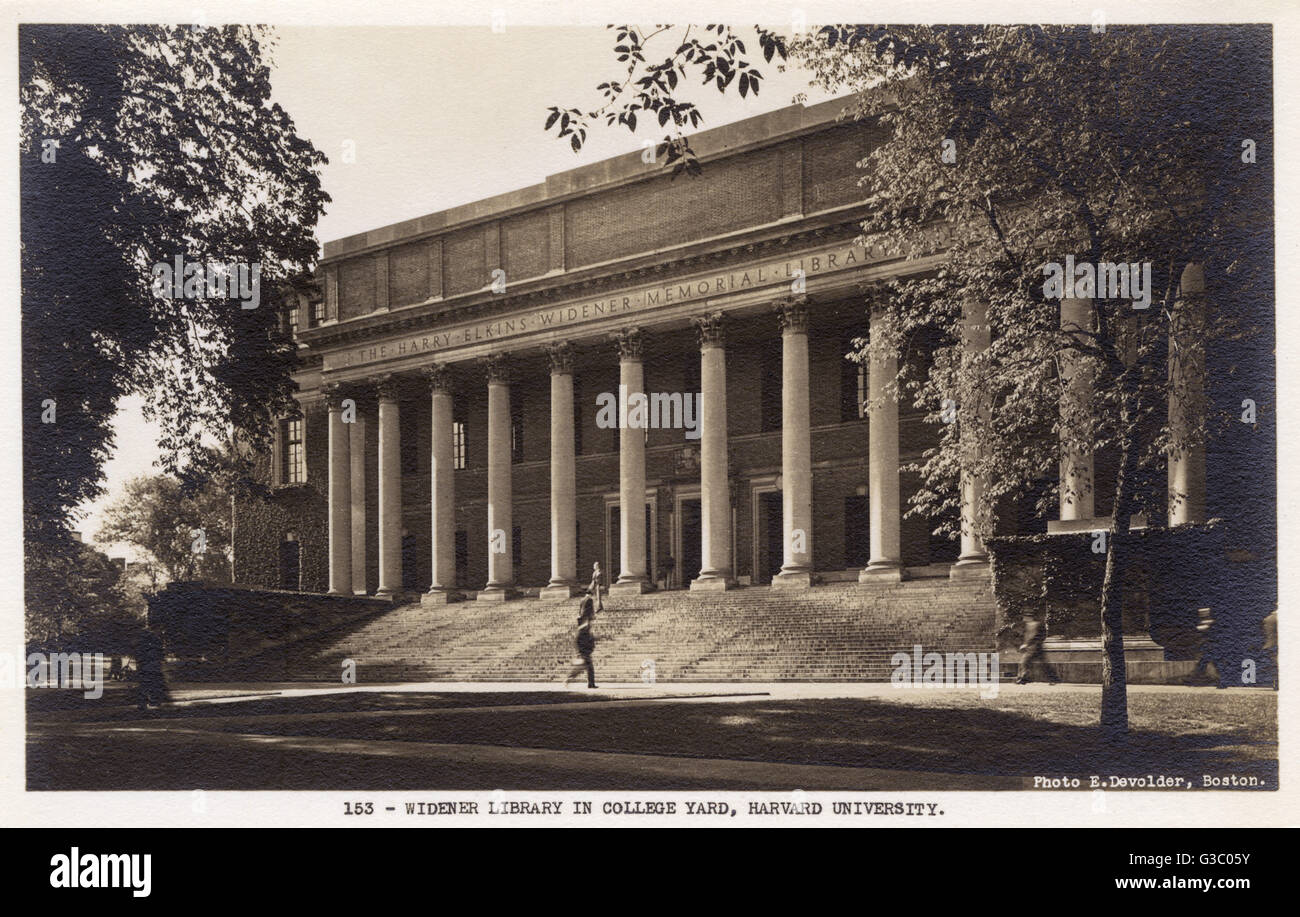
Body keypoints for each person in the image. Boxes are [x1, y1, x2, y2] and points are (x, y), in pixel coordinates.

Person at [1015, 612, 1059, 685]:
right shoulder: (1026, 626)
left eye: (1025, 617)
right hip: (1030, 648)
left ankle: (1024, 678)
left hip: (1036, 648)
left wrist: (1029, 644)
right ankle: (1024, 678)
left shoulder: (1038, 625)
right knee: (1027, 662)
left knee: (1027, 662)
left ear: (1030, 617)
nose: (1024, 618)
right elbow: (1025, 636)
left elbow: (1040, 636)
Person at [564, 597, 598, 689]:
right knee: (583, 668)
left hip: (585, 651)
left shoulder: (585, 629)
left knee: (585, 668)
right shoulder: (583, 629)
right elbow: (577, 640)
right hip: (584, 652)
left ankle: (590, 683)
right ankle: (570, 678)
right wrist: (580, 651)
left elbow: (588, 639)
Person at [135, 625, 170, 710]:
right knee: (154, 684)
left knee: (145, 685)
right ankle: (153, 701)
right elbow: (159, 653)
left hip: (145, 666)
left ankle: (144, 703)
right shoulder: (155, 640)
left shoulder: (143, 642)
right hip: (152, 667)